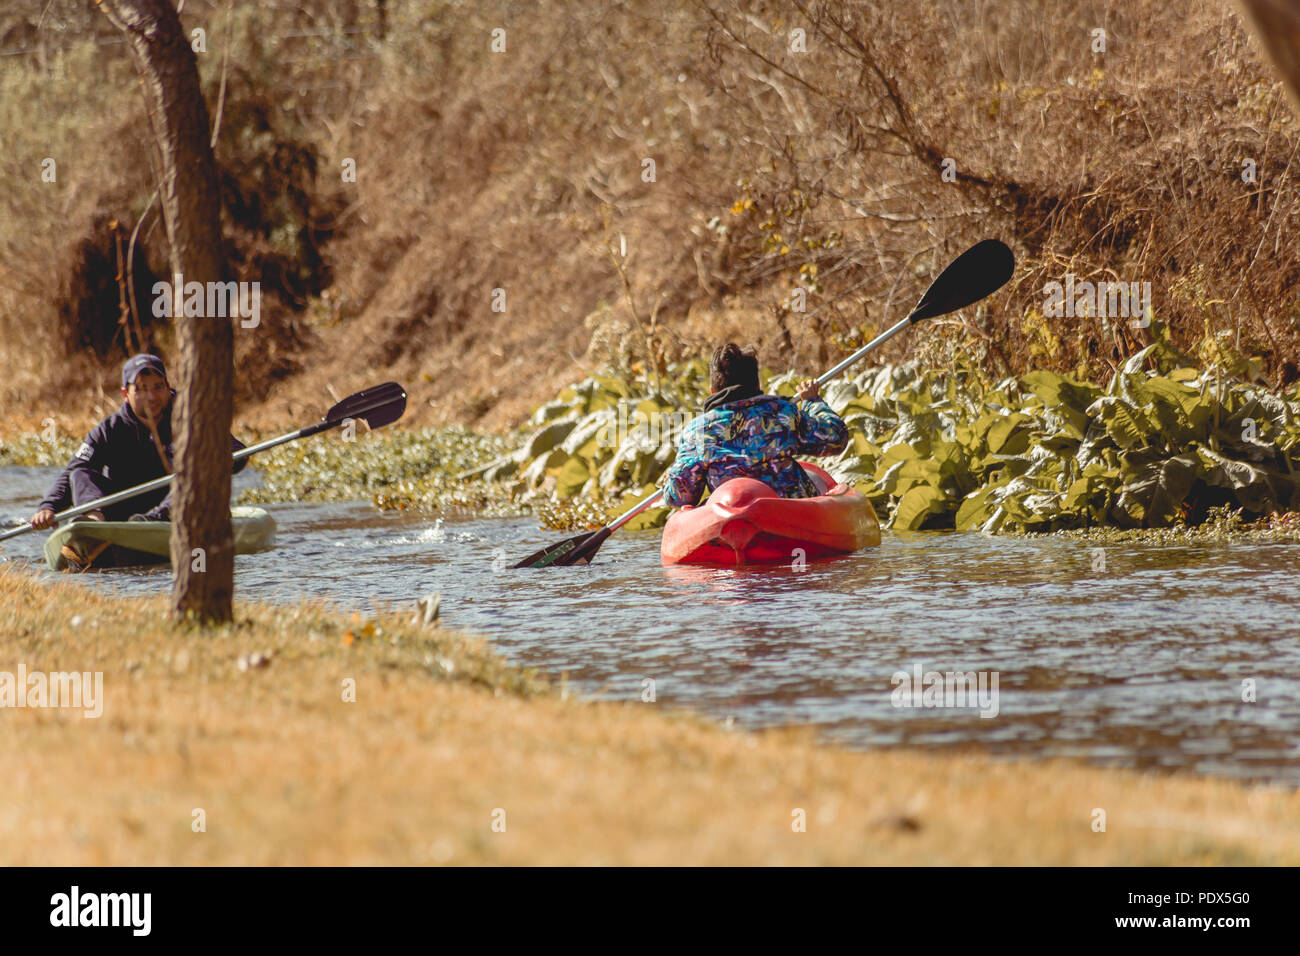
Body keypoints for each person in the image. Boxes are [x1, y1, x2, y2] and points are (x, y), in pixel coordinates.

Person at [29, 354, 247, 529]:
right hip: (130, 513)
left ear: (168, 387)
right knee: (81, 472)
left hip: (183, 507)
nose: (151, 396)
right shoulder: (109, 430)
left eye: (157, 387)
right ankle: (95, 524)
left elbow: (238, 453)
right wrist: (48, 507)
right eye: (141, 389)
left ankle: (157, 519)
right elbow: (74, 472)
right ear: (125, 394)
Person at [661, 343, 849, 508]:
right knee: (816, 479)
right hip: (789, 510)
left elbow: (682, 497)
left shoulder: (698, 431)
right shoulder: (783, 411)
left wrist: (669, 483)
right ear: (757, 383)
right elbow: (835, 439)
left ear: (712, 391)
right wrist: (812, 402)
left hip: (733, 513)